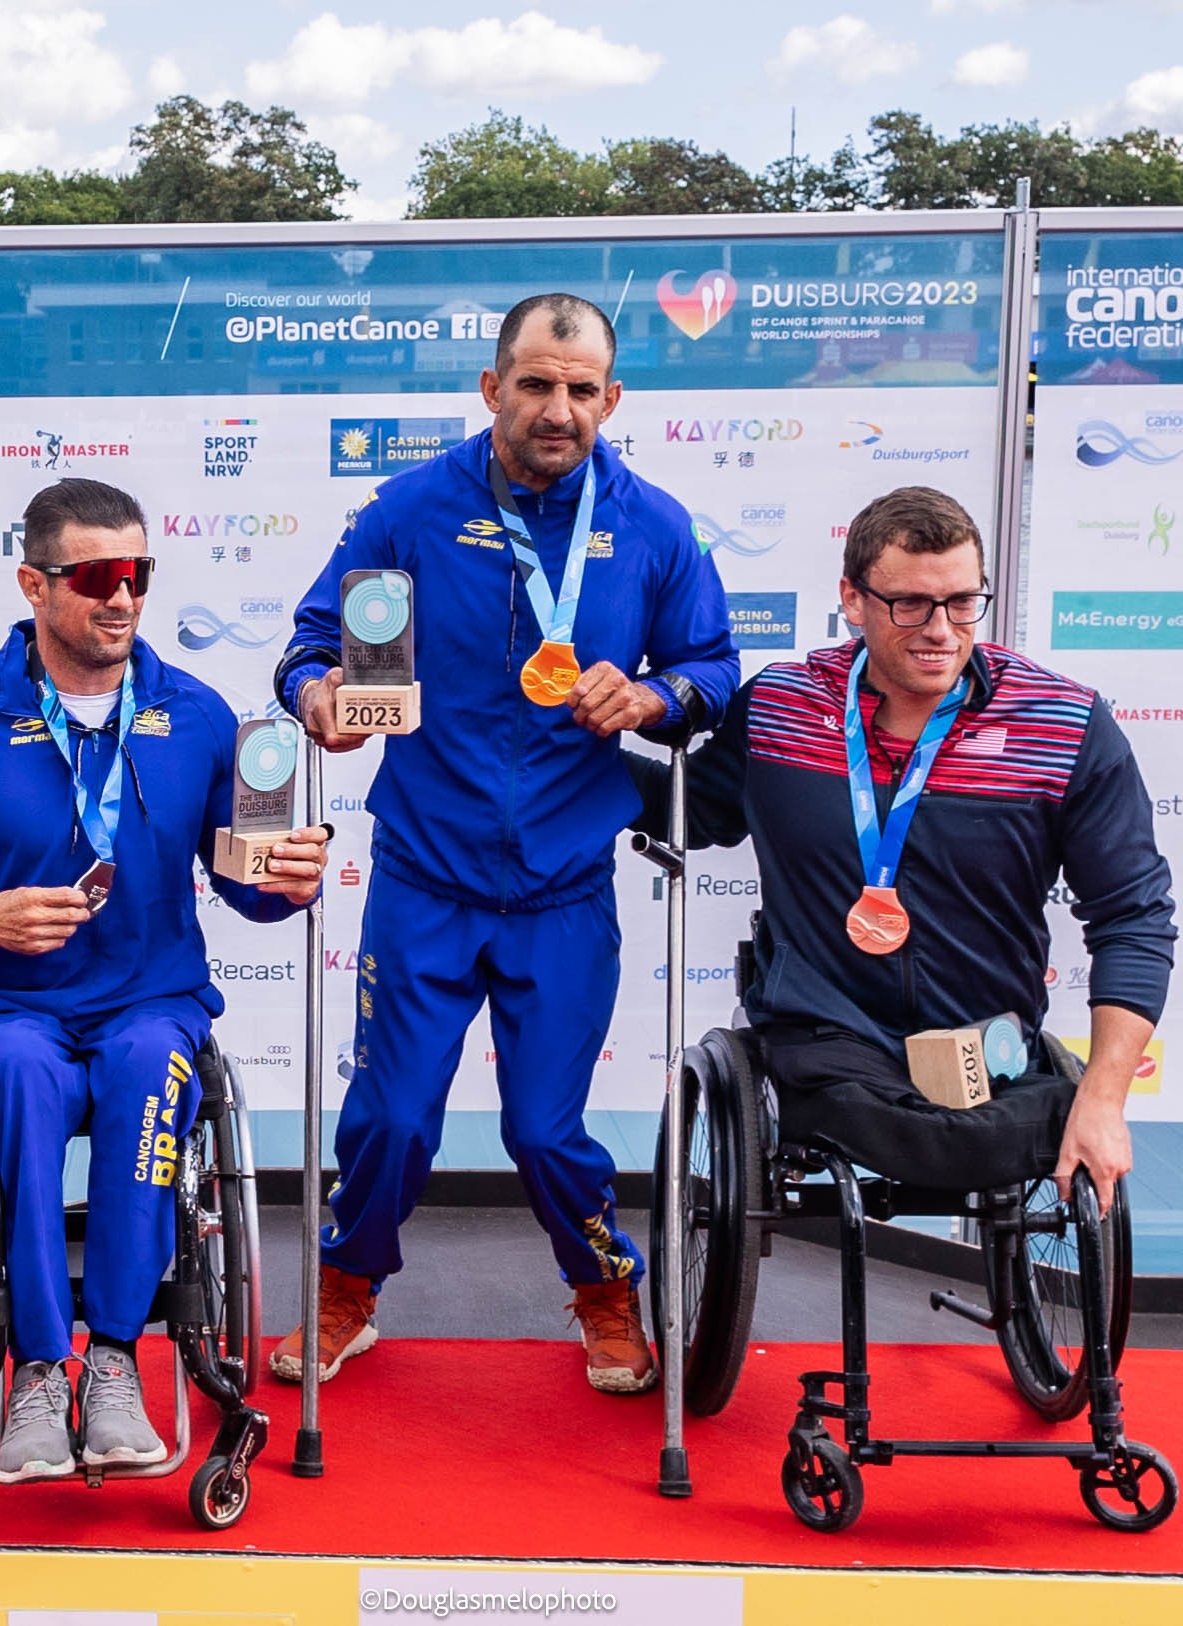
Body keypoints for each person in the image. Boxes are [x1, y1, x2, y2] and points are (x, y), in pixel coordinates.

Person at [270, 292, 738, 1393]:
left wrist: (654, 695)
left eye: (580, 390)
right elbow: (304, 644)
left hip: (564, 881)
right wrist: (318, 694)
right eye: (534, 383)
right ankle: (347, 1285)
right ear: (491, 389)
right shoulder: (407, 507)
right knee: (388, 1114)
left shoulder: (654, 525)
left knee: (541, 1128)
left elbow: (713, 671)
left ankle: (601, 1288)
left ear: (610, 400)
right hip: (425, 870)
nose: (556, 408)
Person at [0, 478, 328, 1482]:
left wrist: (288, 883)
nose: (123, 597)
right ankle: (40, 1369)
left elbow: (252, 893)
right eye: (97, 575)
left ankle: (113, 1360)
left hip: (152, 1003)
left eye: (138, 574)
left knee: (150, 1069)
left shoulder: (193, 717)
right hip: (12, 1010)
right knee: (17, 1076)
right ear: (34, 583)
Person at [627, 485, 1176, 1212]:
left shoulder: (1062, 724)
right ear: (852, 599)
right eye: (909, 603)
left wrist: (1103, 1100)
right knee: (861, 1104)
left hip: (985, 1042)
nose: (940, 630)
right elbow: (695, 812)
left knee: (1032, 1113)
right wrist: (557, 745)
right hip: (826, 1037)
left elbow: (1132, 915)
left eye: (959, 602)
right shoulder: (783, 706)